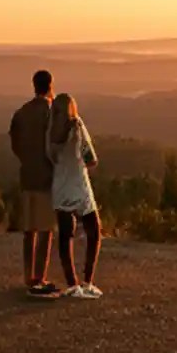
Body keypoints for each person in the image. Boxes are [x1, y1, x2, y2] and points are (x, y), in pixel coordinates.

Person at [47, 93, 103, 299]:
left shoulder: (50, 131)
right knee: (94, 232)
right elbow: (91, 158)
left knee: (65, 235)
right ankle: (88, 281)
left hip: (60, 187)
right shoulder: (77, 126)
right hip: (79, 186)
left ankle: (72, 285)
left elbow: (50, 158)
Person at [8, 70, 59, 297]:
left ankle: (28, 275)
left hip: (26, 175)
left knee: (29, 229)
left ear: (33, 85)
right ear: (50, 85)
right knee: (46, 229)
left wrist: (26, 159)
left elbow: (15, 143)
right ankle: (40, 277)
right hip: (46, 178)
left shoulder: (21, 112)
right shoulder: (51, 112)